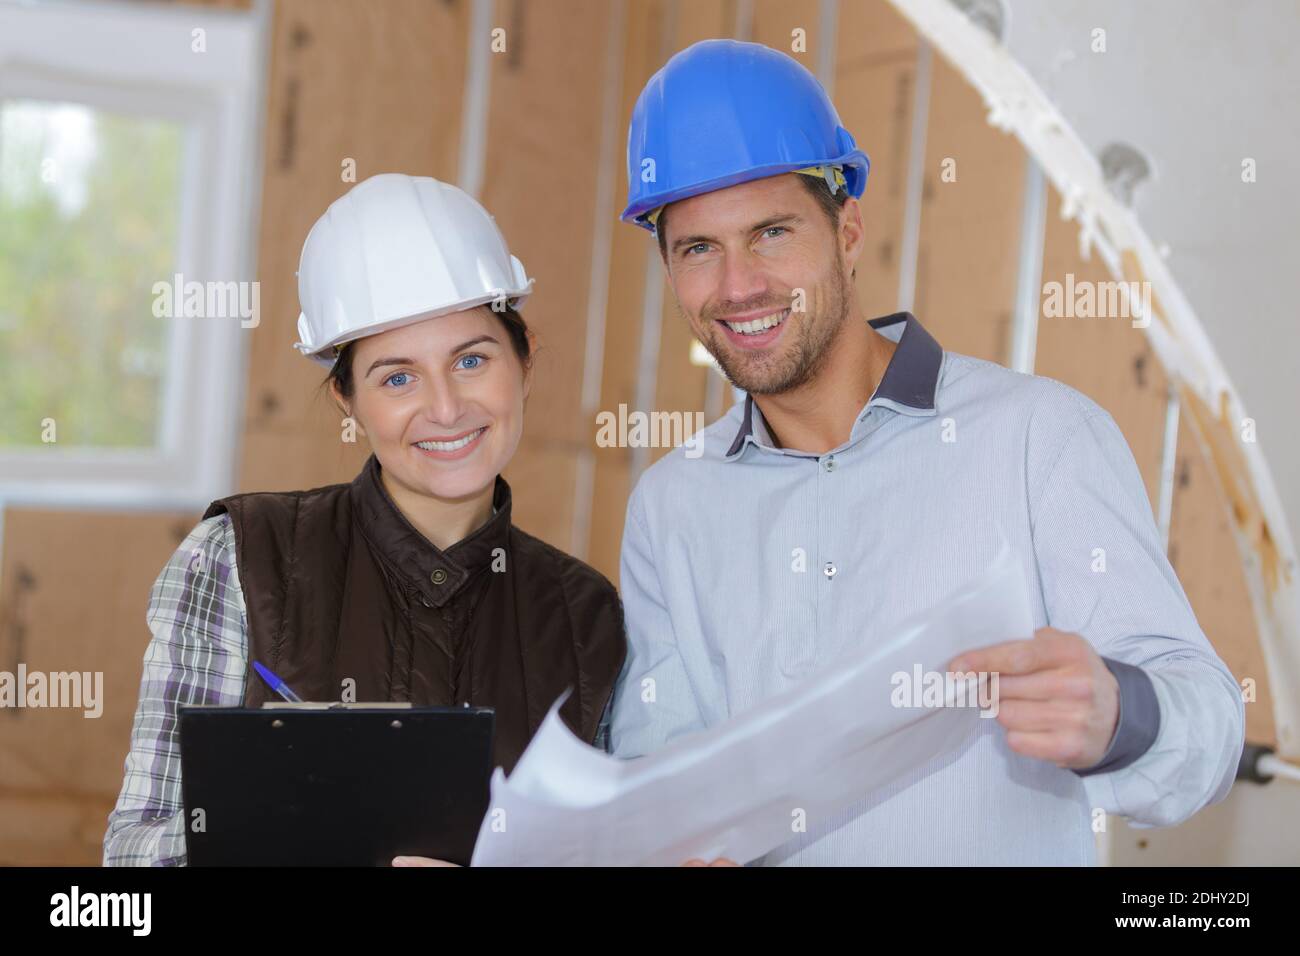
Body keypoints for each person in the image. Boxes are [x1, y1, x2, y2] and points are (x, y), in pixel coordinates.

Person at [609, 39, 1244, 865]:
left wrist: (1121, 713)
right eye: (699, 248)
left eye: (771, 232)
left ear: (848, 228)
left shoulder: (1037, 440)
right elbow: (657, 773)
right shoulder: (670, 506)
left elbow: (1212, 729)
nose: (738, 286)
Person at [104, 173, 626, 866]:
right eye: (397, 377)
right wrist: (311, 826)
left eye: (471, 359)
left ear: (523, 362)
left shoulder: (586, 617)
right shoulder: (238, 559)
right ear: (348, 402)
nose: (444, 408)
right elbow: (133, 859)